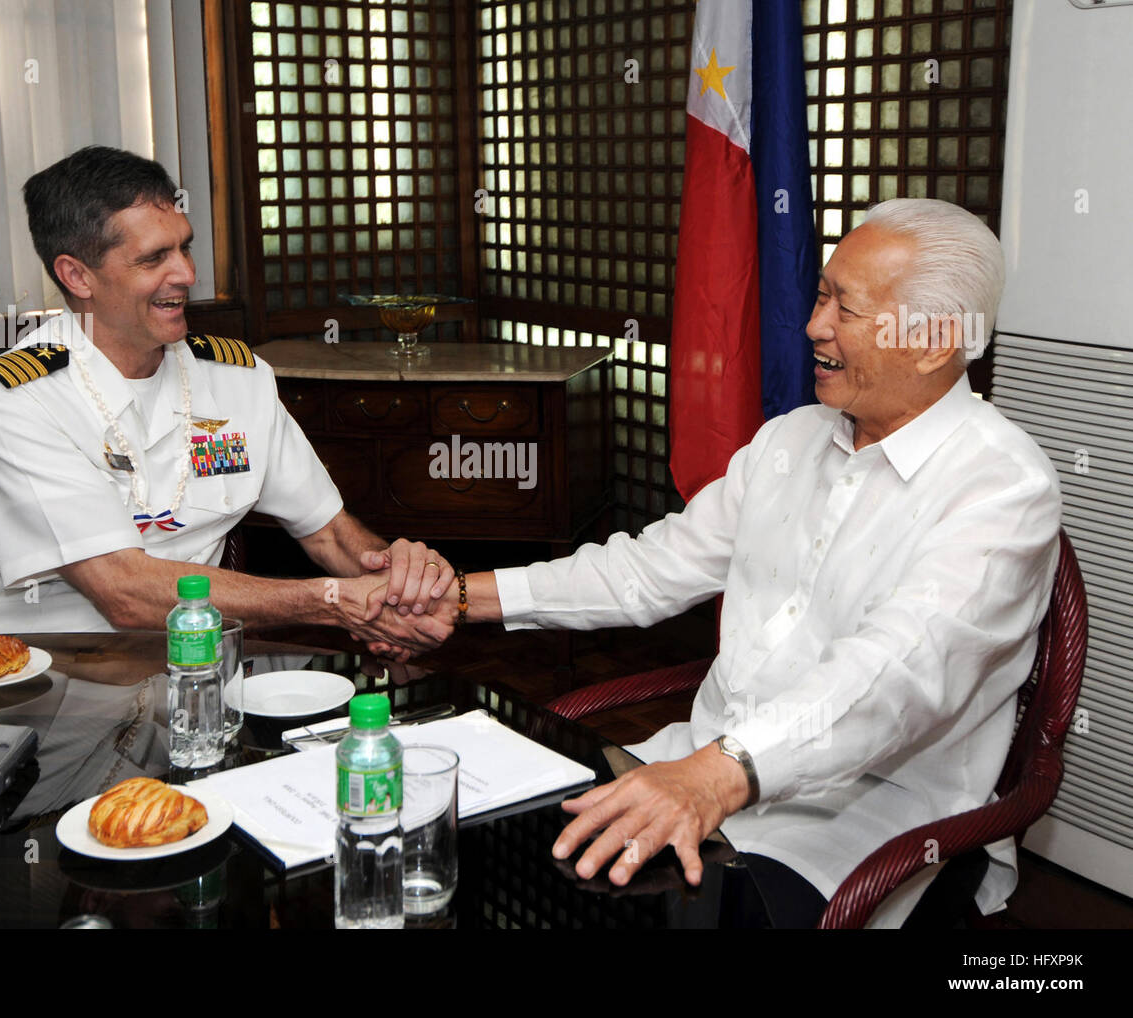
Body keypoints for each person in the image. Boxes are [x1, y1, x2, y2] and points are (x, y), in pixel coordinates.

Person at [431, 199, 1061, 927]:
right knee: (498, 854)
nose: (814, 326)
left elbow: (895, 676)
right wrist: (460, 597)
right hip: (693, 764)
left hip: (868, 820)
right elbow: (652, 568)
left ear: (932, 342)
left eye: (845, 308)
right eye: (821, 294)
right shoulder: (792, 439)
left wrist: (718, 775)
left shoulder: (1004, 486)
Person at [0, 146, 451, 658]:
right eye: (154, 258)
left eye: (184, 248)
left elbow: (329, 533)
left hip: (194, 662)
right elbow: (123, 592)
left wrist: (403, 585)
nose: (187, 275)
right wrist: (331, 601)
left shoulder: (237, 377)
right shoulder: (13, 399)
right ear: (77, 276)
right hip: (38, 670)